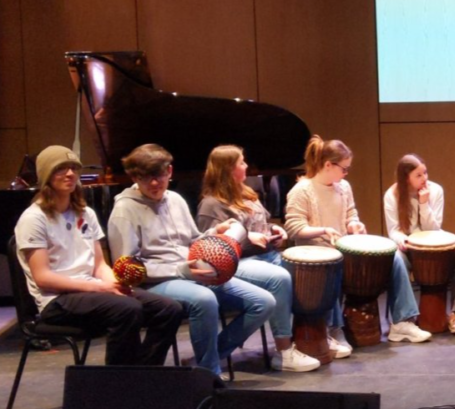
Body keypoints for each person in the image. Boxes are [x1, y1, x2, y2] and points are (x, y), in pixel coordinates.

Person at [107, 144, 274, 379]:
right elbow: (128, 269)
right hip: (154, 282)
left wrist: (216, 231)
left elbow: (193, 240)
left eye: (159, 175)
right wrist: (181, 270)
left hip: (193, 272)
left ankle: (205, 361)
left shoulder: (175, 199)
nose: (154, 183)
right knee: (204, 299)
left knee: (263, 302)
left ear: (170, 172)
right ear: (134, 177)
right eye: (146, 177)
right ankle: (209, 375)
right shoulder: (125, 210)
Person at [15, 145, 182, 366]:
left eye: (74, 168)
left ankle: (145, 374)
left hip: (91, 291)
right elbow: (43, 277)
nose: (70, 174)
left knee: (168, 309)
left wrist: (116, 284)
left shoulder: (86, 213)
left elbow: (100, 265)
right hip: (56, 300)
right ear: (46, 176)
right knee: (127, 309)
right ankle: (115, 385)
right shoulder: (34, 218)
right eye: (61, 169)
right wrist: (101, 288)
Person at [284, 136, 431, 344]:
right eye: (344, 169)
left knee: (394, 257)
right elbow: (294, 228)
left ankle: (402, 322)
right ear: (328, 165)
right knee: (331, 264)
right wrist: (323, 230)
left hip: (343, 249)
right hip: (318, 255)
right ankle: (334, 331)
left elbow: (351, 214)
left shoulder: (343, 187)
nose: (346, 173)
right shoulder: (302, 191)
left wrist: (354, 224)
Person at [196, 145, 320, 371]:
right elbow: (209, 251)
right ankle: (283, 351)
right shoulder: (211, 204)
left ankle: (316, 336)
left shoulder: (246, 193)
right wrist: (246, 239)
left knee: (308, 268)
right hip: (238, 263)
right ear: (228, 169)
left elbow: (262, 223)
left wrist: (275, 230)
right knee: (279, 278)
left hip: (266, 255)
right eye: (241, 162)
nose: (246, 166)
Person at [383, 154, 455, 334]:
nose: (425, 179)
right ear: (406, 178)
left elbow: (433, 227)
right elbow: (393, 230)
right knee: (396, 259)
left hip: (433, 240)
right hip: (408, 245)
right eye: (419, 175)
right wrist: (403, 240)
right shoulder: (392, 195)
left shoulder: (435, 190)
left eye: (425, 173)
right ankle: (406, 317)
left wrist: (424, 204)